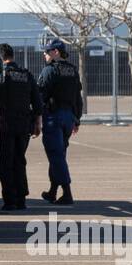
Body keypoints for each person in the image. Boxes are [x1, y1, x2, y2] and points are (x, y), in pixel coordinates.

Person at [0, 43, 41, 211]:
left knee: (5, 163)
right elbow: (37, 102)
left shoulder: (0, 76)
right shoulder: (26, 74)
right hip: (23, 126)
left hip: (6, 126)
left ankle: (10, 200)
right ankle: (21, 199)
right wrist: (37, 123)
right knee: (19, 162)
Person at [36, 39, 82, 205]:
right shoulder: (72, 70)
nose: (45, 54)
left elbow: (40, 95)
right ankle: (53, 191)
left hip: (53, 117)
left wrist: (36, 117)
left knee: (55, 155)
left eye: (47, 51)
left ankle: (67, 193)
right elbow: (78, 97)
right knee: (59, 155)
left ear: (56, 52)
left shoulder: (50, 70)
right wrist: (77, 119)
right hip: (68, 116)